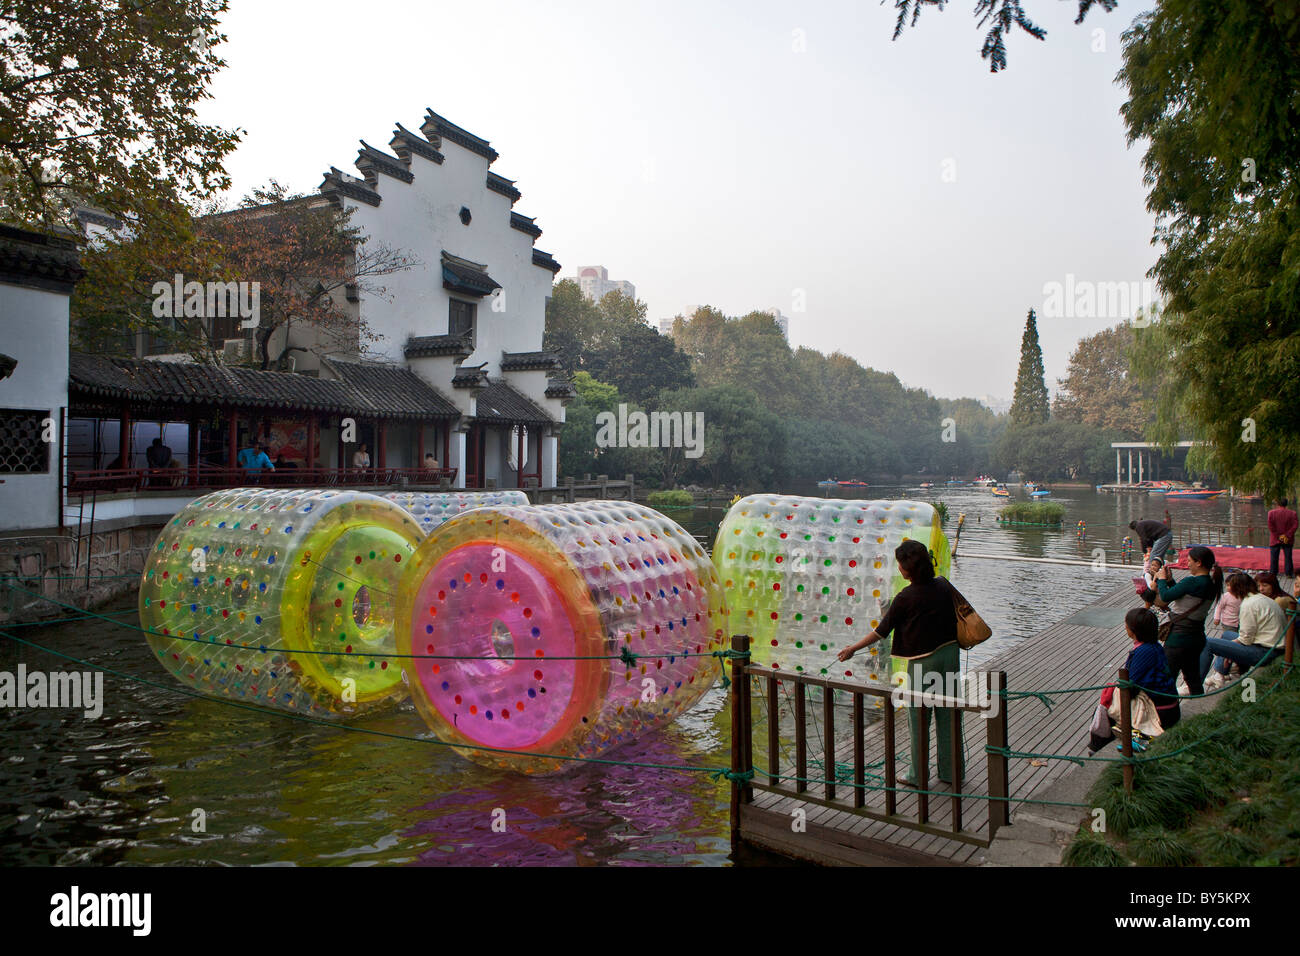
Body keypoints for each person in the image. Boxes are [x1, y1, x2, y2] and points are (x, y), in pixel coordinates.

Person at [837, 539, 963, 788]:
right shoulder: (944, 586)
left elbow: (881, 632)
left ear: (908, 570)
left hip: (924, 661)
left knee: (919, 718)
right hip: (950, 655)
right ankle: (952, 772)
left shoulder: (905, 597)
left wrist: (852, 649)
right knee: (949, 715)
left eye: (901, 565)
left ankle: (917, 776)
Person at [1088, 607, 1180, 754]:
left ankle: (1097, 748)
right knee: (1111, 700)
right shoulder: (1154, 647)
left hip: (1160, 711)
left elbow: (1130, 688)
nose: (1125, 627)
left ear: (1134, 630)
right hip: (1169, 705)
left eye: (1127, 625)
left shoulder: (1143, 652)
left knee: (1104, 708)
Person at [1155, 544, 1222, 697]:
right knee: (1192, 677)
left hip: (1179, 638)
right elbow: (1182, 595)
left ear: (1199, 563)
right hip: (1196, 637)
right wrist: (1171, 582)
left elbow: (1165, 597)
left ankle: (1166, 713)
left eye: (1190, 560)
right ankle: (1198, 705)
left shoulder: (1192, 582)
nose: (1188, 563)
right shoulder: (1211, 583)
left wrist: (1161, 579)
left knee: (1167, 677)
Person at [1200, 576, 1288, 689]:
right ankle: (1220, 674)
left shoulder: (1248, 604)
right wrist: (1229, 649)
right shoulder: (1262, 598)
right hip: (1274, 647)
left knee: (1206, 642)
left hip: (1265, 652)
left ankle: (1194, 686)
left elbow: (1245, 639)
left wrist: (1229, 652)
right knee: (1227, 635)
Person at [1267, 498, 1297, 577]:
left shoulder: (1271, 513)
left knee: (1274, 557)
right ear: (1286, 504)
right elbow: (1295, 526)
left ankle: (1273, 573)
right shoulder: (1292, 513)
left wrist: (1278, 536)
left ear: (1278, 504)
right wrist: (1286, 535)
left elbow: (1270, 526)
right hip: (1288, 539)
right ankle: (1288, 573)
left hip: (1275, 539)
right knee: (1288, 557)